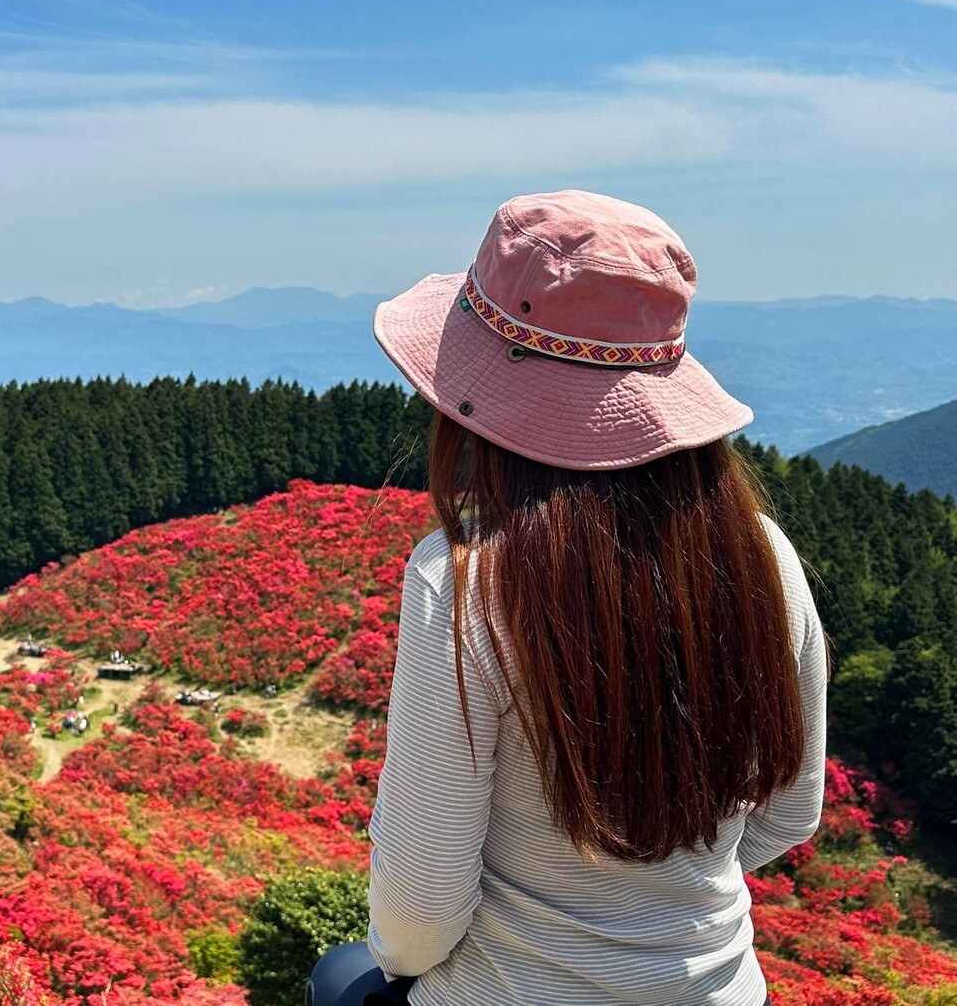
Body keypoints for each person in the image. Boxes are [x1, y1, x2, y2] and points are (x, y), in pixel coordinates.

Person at [309, 191, 827, 1006]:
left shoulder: (464, 580)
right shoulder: (765, 555)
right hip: (723, 989)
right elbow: (784, 816)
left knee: (338, 977)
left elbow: (417, 911)